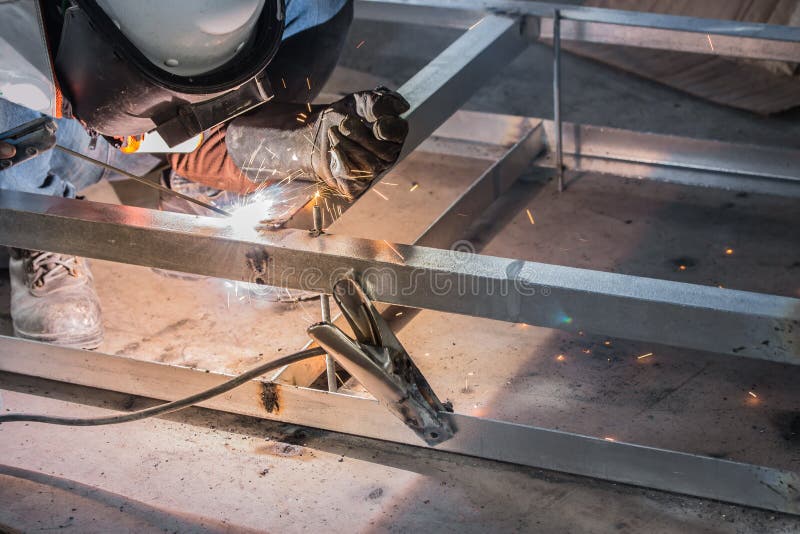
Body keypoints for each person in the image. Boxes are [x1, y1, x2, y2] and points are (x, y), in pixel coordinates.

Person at [0, 0, 409, 349]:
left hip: (144, 129)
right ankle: (42, 227)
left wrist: (282, 138)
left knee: (319, 4)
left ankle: (208, 184)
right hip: (53, 140)